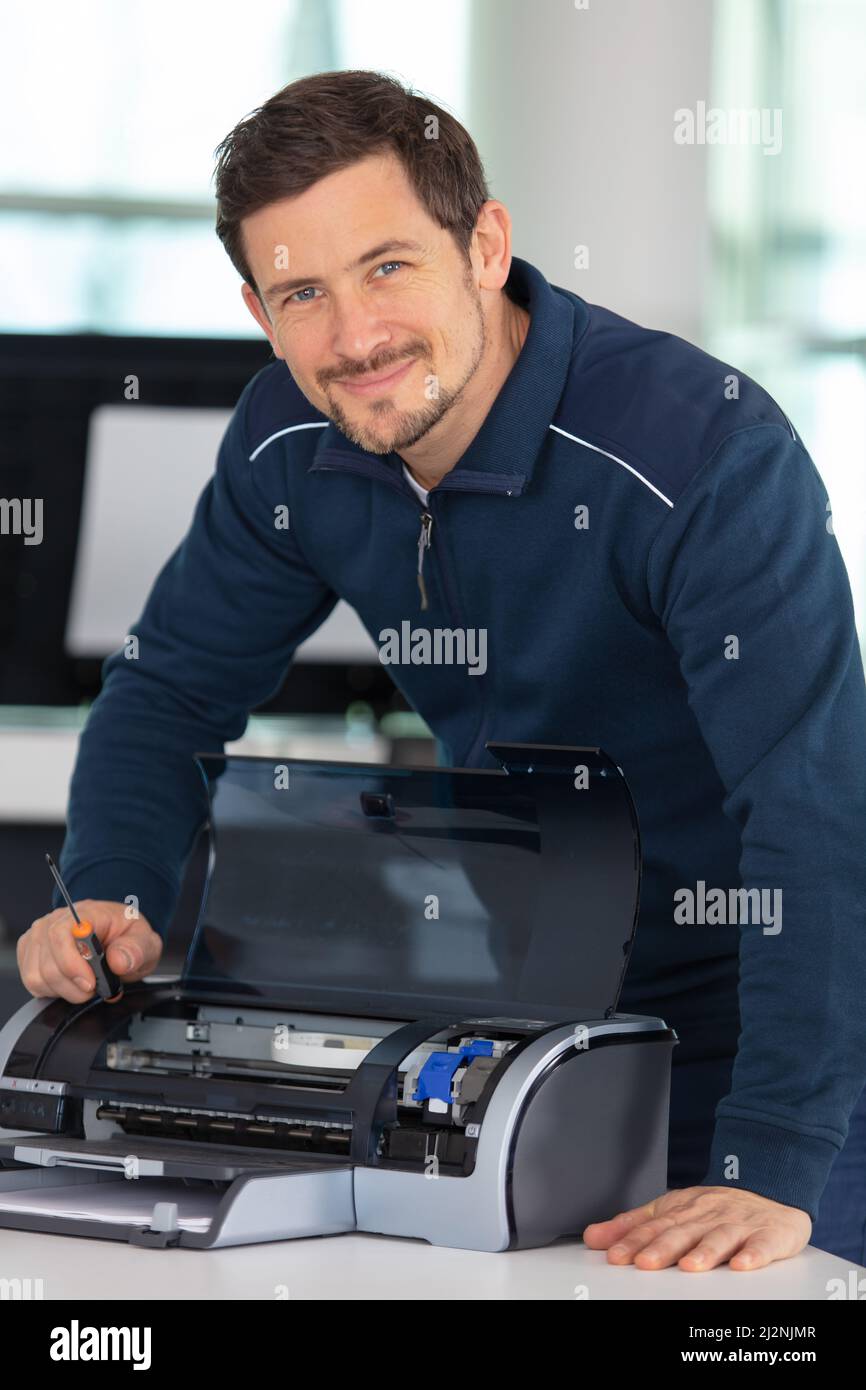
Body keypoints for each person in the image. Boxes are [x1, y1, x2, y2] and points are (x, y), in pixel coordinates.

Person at [18, 70, 866, 1272]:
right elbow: (168, 693)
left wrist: (776, 1158)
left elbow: (816, 808)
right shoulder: (287, 444)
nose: (353, 336)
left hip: (790, 1025)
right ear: (259, 310)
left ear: (484, 245)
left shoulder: (703, 453)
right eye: (301, 291)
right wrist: (112, 890)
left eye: (387, 266)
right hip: (543, 1019)